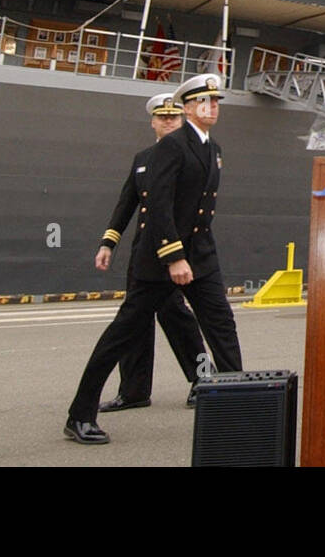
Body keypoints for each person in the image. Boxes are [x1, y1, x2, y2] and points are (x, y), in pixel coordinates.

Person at [64, 74, 242, 444]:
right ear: (188, 107)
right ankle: (80, 415)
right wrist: (173, 256)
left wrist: (195, 256)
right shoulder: (171, 147)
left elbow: (201, 208)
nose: (212, 107)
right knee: (123, 332)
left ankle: (236, 408)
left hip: (202, 258)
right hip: (161, 261)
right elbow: (156, 204)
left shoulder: (215, 149)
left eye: (216, 101)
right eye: (204, 102)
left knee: (222, 328)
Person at [96, 93, 207, 412]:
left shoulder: (193, 155)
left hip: (176, 253)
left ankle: (203, 379)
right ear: (153, 122)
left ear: (183, 120)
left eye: (174, 117)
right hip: (144, 252)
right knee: (134, 321)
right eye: (163, 117)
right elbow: (126, 203)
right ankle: (133, 391)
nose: (168, 121)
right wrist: (108, 242)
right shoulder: (143, 159)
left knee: (178, 317)